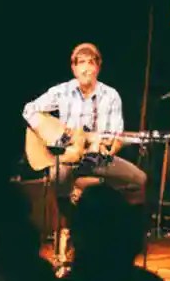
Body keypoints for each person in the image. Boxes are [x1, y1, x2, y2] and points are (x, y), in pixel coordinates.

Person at [22, 43, 147, 201]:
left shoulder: (110, 96)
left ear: (98, 67)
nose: (86, 68)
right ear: (73, 68)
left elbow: (114, 138)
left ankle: (117, 220)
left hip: (97, 159)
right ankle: (67, 222)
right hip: (68, 159)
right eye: (81, 62)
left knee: (139, 180)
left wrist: (105, 146)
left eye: (91, 62)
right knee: (58, 175)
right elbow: (29, 110)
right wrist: (55, 134)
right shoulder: (62, 91)